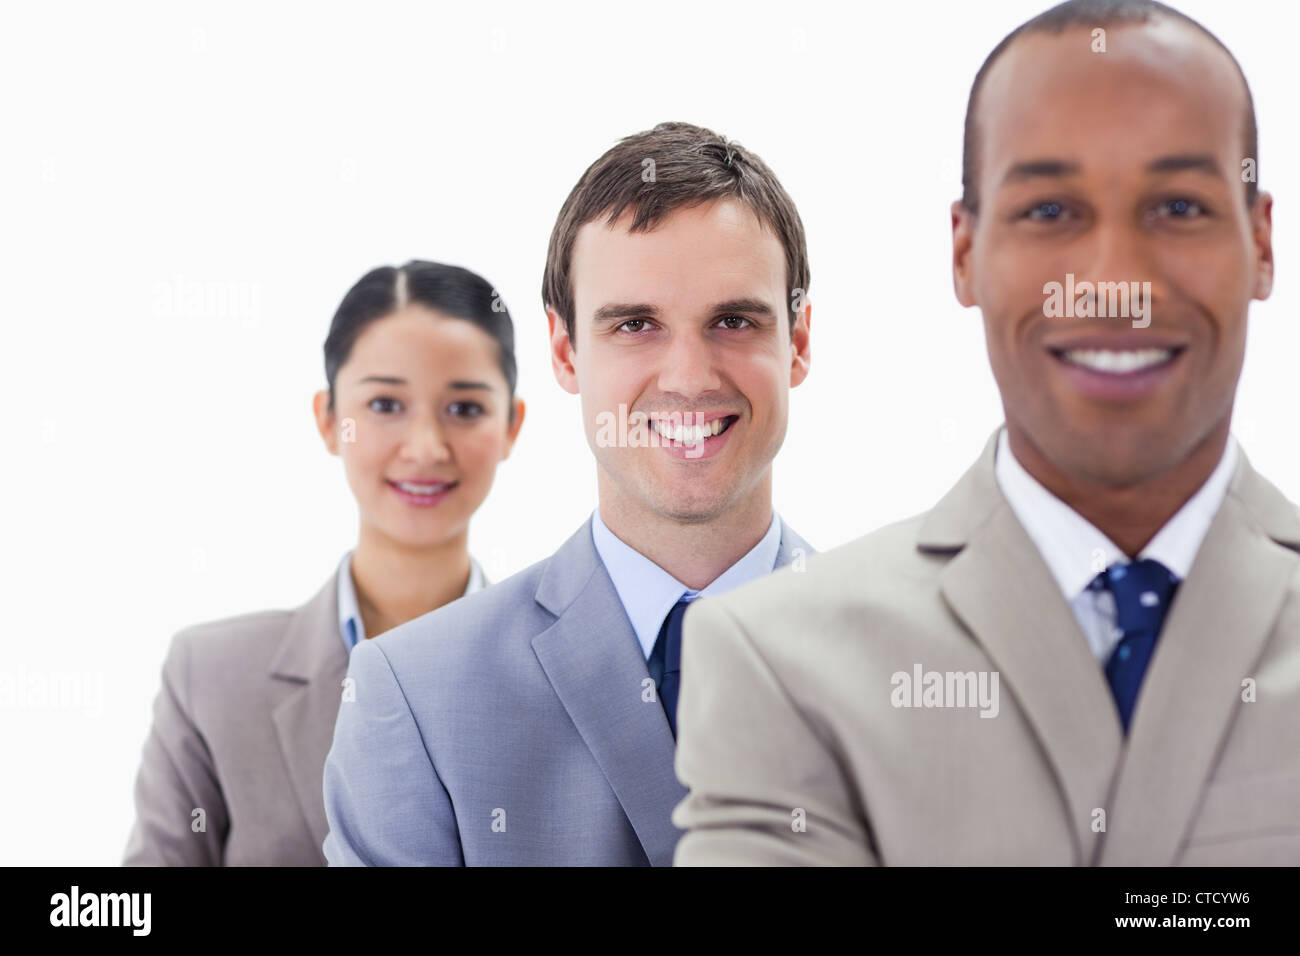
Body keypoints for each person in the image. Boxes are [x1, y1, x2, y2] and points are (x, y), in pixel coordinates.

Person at [673, 0, 1298, 866]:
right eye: (1050, 212)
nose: (1113, 283)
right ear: (963, 254)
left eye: (1180, 206)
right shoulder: (781, 661)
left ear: (1262, 242)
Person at [323, 122, 814, 866]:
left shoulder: (915, 664)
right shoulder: (416, 697)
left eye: (734, 320)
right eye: (636, 324)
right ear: (564, 351)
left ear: (798, 343)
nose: (688, 375)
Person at [123, 259, 525, 865]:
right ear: (330, 420)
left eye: (464, 409)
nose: (425, 448)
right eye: (386, 404)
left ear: (511, 426)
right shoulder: (210, 678)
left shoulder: (563, 676)